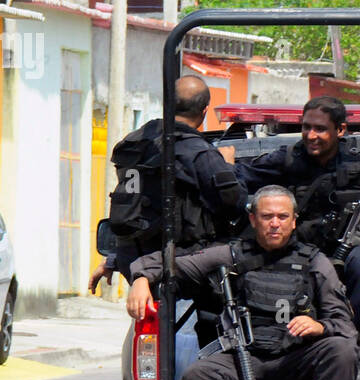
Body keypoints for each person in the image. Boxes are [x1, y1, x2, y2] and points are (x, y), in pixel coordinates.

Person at [126, 185, 357, 380]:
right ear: (253, 219)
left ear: (293, 221)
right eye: (267, 216)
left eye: (282, 216)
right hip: (245, 359)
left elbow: (344, 325)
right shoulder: (232, 256)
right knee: (197, 376)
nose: (274, 223)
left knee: (341, 351)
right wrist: (141, 279)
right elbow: (173, 264)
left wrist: (319, 327)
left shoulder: (315, 262)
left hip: (295, 359)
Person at [233, 96, 360, 380]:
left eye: (320, 129)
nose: (311, 135)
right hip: (301, 254)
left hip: (350, 252)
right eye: (306, 127)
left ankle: (358, 352)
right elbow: (236, 178)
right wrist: (221, 162)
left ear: (341, 130)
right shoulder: (287, 159)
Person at [88, 75, 246, 293]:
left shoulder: (136, 142)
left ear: (167, 104)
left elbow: (143, 207)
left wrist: (114, 259)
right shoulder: (200, 154)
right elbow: (233, 204)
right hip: (179, 265)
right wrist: (229, 167)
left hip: (134, 257)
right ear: (205, 110)